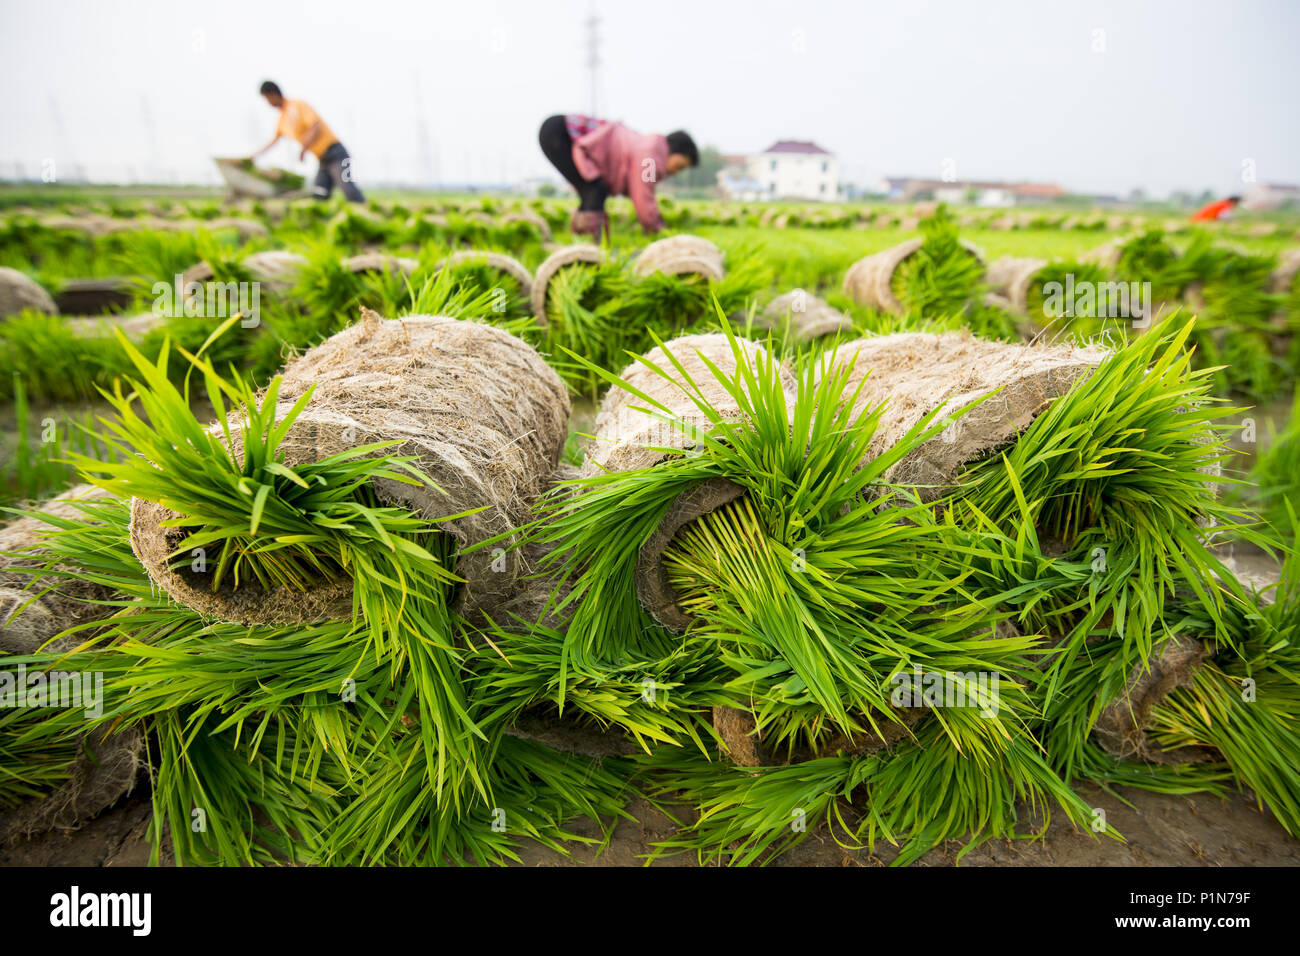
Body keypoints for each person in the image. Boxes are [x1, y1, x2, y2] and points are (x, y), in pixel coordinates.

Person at [538, 114, 698, 239]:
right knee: (594, 189)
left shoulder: (648, 147)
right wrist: (659, 230)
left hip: (560, 131)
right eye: (680, 166)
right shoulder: (650, 157)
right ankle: (587, 250)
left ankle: (582, 243)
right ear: (674, 150)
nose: (676, 172)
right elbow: (643, 197)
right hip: (561, 132)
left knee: (593, 190)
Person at [250, 80, 364, 203]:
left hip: (336, 153)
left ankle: (365, 210)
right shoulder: (282, 119)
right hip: (323, 159)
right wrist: (253, 156)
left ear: (273, 94)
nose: (268, 103)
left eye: (267, 99)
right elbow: (273, 141)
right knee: (319, 194)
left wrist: (303, 149)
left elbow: (316, 127)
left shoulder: (298, 106)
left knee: (347, 187)